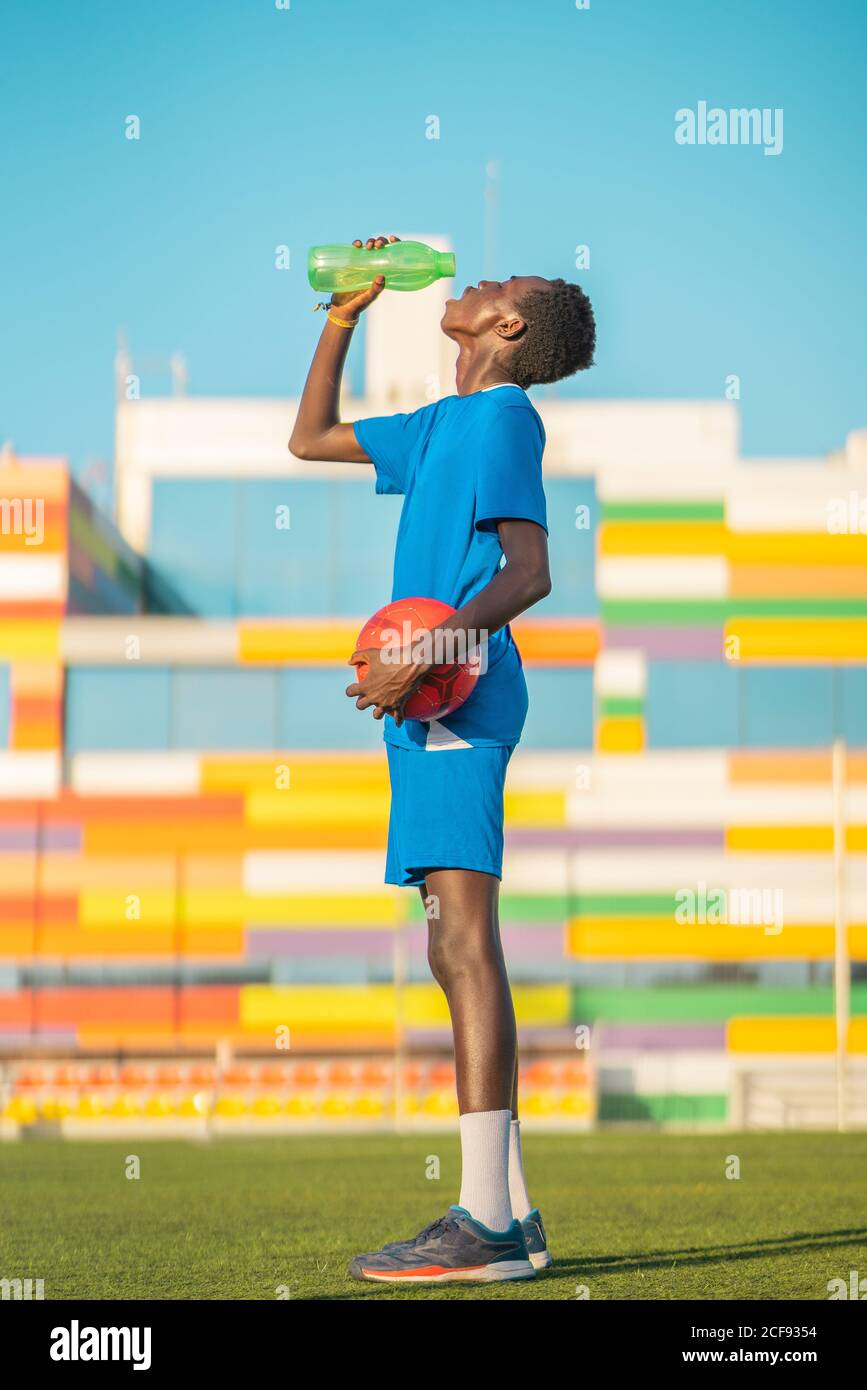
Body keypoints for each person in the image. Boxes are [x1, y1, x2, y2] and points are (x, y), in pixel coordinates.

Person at [290, 235, 596, 1283]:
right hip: (426, 701)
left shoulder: (508, 417)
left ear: (508, 328)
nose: (476, 283)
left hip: (458, 695)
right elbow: (311, 436)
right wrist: (344, 314)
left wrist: (429, 649)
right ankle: (511, 1209)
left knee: (464, 940)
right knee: (445, 938)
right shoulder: (438, 427)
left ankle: (484, 1222)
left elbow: (532, 570)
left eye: (499, 286)